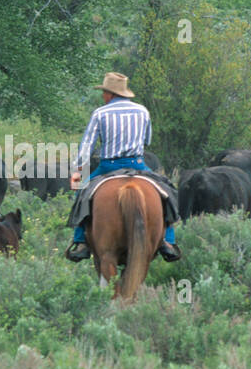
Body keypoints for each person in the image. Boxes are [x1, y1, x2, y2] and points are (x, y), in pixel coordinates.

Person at [65, 72, 180, 262]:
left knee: (81, 192)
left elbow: (86, 147)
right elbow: (147, 140)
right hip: (137, 164)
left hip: (108, 166)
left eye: (104, 92)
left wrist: (77, 172)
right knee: (167, 193)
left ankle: (81, 242)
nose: (103, 96)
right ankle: (168, 240)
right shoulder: (143, 111)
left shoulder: (100, 113)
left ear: (110, 93)